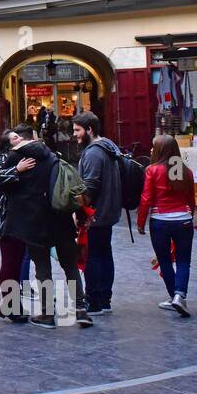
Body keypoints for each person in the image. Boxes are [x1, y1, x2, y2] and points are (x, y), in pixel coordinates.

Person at [0, 124, 56, 323]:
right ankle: (12, 305)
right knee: (12, 261)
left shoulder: (36, 155)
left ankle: (10, 304)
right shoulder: (8, 157)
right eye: (14, 139)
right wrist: (16, 170)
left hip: (27, 217)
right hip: (9, 218)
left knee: (21, 262)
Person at [138, 133, 197, 317]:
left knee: (165, 261)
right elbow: (191, 200)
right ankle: (180, 295)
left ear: (161, 150)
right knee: (183, 261)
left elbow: (146, 198)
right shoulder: (185, 171)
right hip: (184, 220)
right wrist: (190, 217)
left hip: (160, 221)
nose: (151, 150)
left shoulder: (152, 170)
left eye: (154, 147)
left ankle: (174, 297)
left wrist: (140, 222)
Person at [72, 112, 123, 315]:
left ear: (89, 129)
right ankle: (105, 299)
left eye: (77, 130)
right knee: (104, 253)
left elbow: (90, 186)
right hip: (108, 211)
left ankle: (94, 301)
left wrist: (78, 211)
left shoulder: (94, 152)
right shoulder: (109, 147)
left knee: (93, 256)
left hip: (96, 213)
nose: (74, 135)